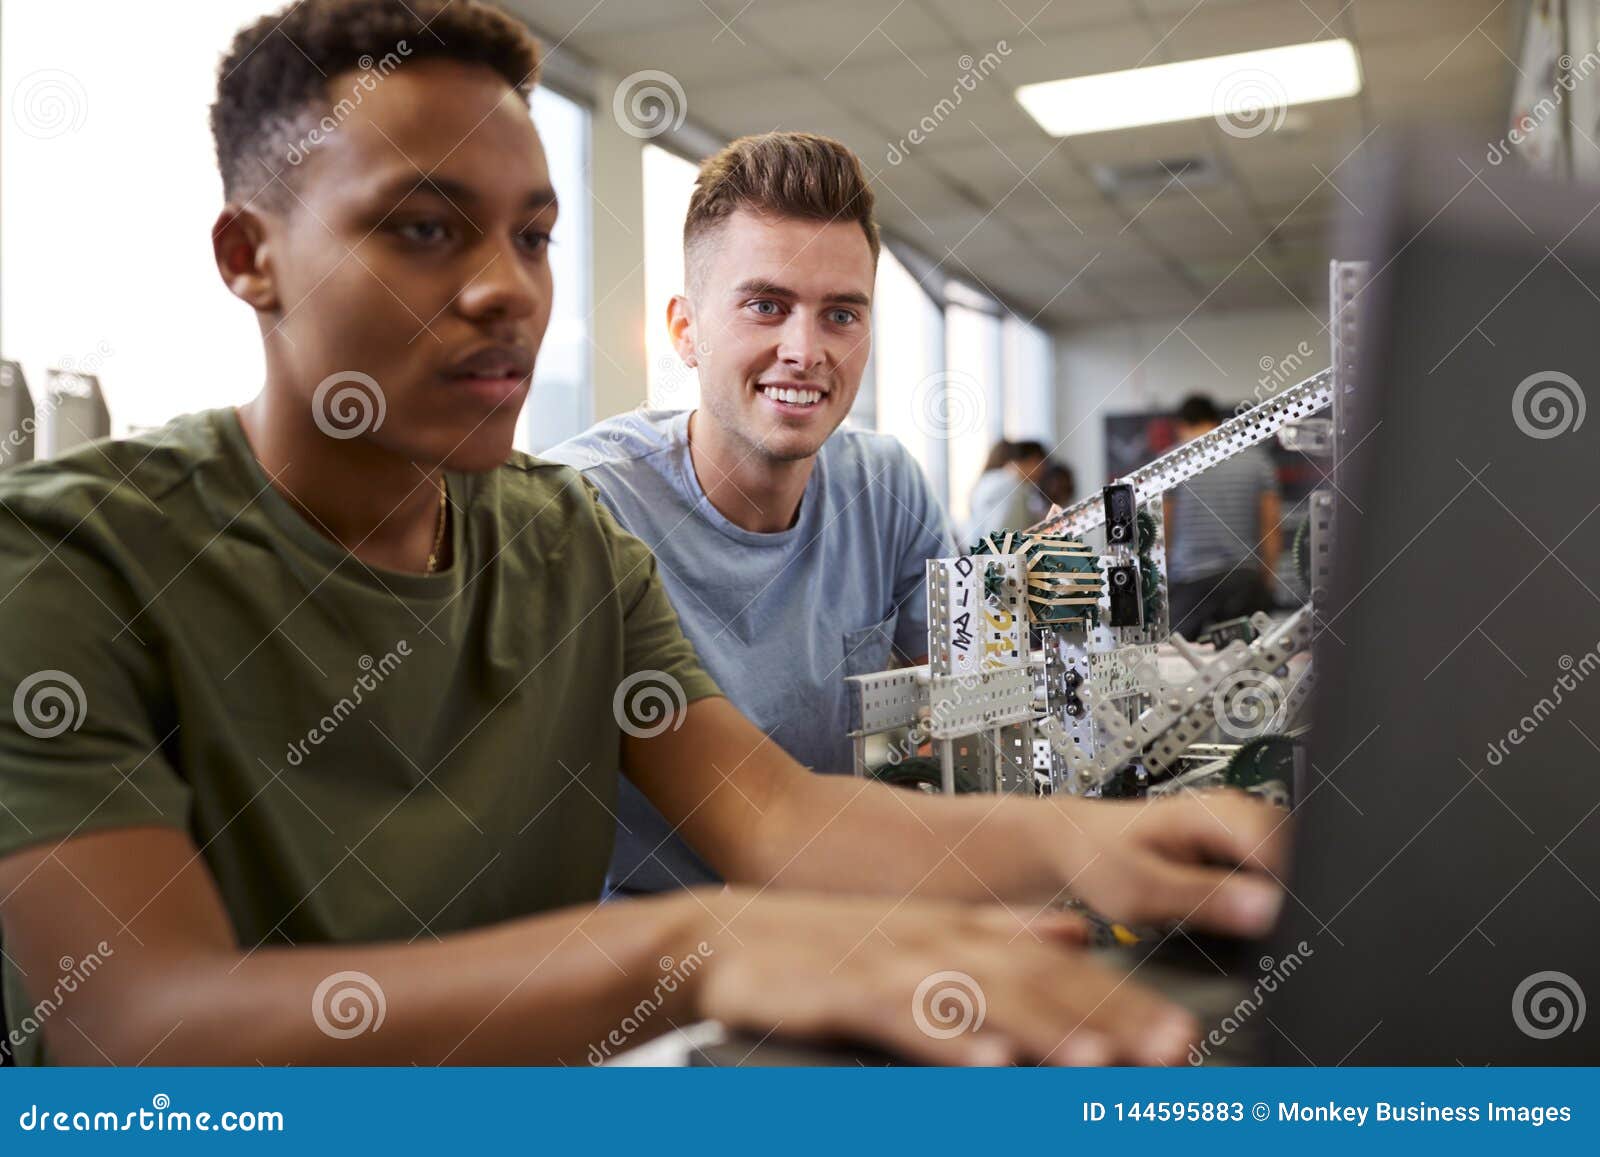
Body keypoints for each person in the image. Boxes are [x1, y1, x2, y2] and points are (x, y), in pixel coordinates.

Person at [0, 0, 1284, 1068]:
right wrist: (694, 947)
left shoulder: (562, 543)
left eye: (534, 236)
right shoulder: (69, 565)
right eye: (424, 227)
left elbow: (774, 814)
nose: (507, 288)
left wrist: (1088, 843)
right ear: (250, 255)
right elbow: (143, 1030)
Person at [546, 132, 954, 897]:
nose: (804, 350)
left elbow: (969, 713)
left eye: (841, 314)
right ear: (685, 330)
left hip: (843, 921)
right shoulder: (587, 509)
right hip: (661, 976)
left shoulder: (887, 489)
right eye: (766, 305)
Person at [1162, 395, 1282, 636]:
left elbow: (1163, 529)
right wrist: (1266, 580)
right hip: (1243, 579)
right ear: (1217, 422)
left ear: (1181, 426)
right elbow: (1270, 527)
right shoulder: (1257, 460)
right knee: (1248, 663)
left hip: (1189, 581)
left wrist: (1163, 586)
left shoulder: (1171, 461)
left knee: (1180, 663)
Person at [961, 439, 1047, 547]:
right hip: (993, 555)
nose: (1043, 470)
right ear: (1031, 460)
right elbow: (999, 535)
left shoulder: (996, 480)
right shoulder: (1009, 487)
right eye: (1041, 463)